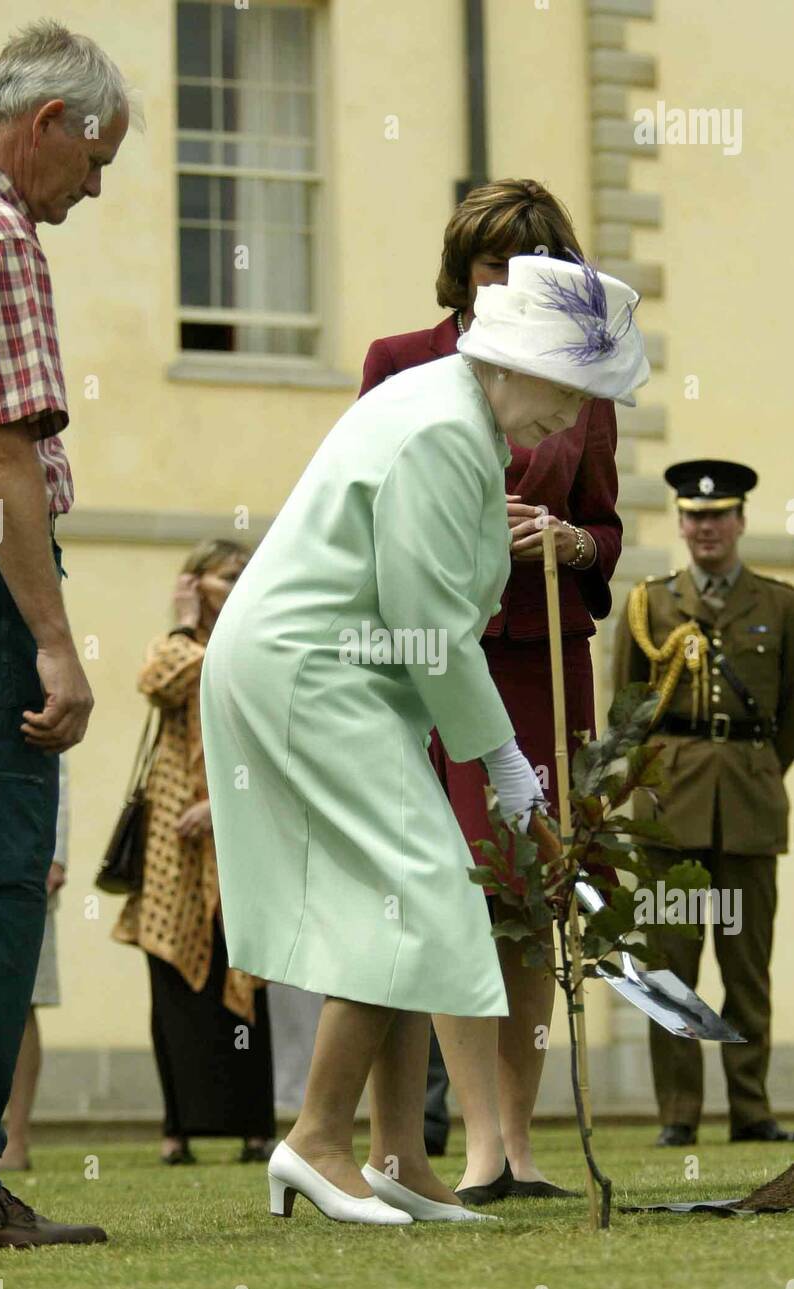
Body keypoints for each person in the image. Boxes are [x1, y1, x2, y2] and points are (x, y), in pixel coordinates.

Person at [200, 252, 648, 1225]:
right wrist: (504, 763)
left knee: (403, 888)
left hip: (346, 672)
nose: (573, 419)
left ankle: (398, 1156)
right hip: (315, 671)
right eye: (570, 390)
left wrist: (499, 761)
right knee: (420, 885)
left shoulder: (455, 413)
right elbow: (426, 620)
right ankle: (315, 1141)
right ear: (515, 360)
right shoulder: (445, 427)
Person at [360, 179, 622, 1198]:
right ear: (461, 274)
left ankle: (517, 1143)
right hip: (436, 658)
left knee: (533, 896)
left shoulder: (582, 385)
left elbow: (603, 526)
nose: (508, 288)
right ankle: (469, 1144)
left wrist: (569, 541)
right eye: (490, 271)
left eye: (530, 273)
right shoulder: (401, 363)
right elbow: (371, 491)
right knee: (452, 888)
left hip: (543, 655)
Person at [0, 20, 137, 1249]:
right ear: (47, 127)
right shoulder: (2, 236)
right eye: (93, 162)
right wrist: (53, 639)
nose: (91, 191)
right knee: (2, 871)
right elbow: (3, 456)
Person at [611, 459, 794, 1147]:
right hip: (671, 810)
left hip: (748, 811)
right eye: (693, 516)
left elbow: (790, 713)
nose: (705, 527)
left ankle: (751, 1110)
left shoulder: (779, 605)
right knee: (670, 970)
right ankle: (678, 1115)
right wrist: (649, 787)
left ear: (740, 520)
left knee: (747, 968)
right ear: (681, 524)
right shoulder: (649, 604)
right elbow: (626, 712)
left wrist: (758, 768)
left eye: (718, 516)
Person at [113, 541, 276, 1165]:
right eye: (225, 578)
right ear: (195, 584)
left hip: (238, 836)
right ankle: (177, 1128)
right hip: (171, 852)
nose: (237, 587)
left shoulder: (255, 644)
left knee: (244, 972)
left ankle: (253, 1127)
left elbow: (257, 709)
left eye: (242, 577)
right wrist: (182, 621)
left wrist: (223, 807)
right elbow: (156, 680)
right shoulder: (180, 646)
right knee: (173, 979)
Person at [0, 758, 69, 1173]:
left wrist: (56, 856)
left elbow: (58, 766)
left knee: (24, 1000)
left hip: (24, 852)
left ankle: (16, 1140)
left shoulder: (36, 691)